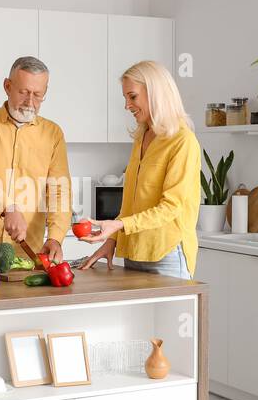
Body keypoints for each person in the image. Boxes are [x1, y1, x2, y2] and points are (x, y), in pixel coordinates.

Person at [81, 60, 201, 280]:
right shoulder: (141, 137)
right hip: (135, 252)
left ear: (156, 93)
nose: (127, 105)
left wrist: (119, 225)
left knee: (170, 316)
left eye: (133, 96)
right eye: (126, 98)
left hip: (167, 255)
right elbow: (129, 203)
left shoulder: (183, 142)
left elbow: (171, 207)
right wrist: (112, 241)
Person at [0, 56, 70, 270]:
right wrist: (8, 207)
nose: (30, 102)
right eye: (23, 92)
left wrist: (55, 237)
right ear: (7, 86)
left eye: (37, 95)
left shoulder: (53, 133)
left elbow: (58, 190)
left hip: (25, 253)